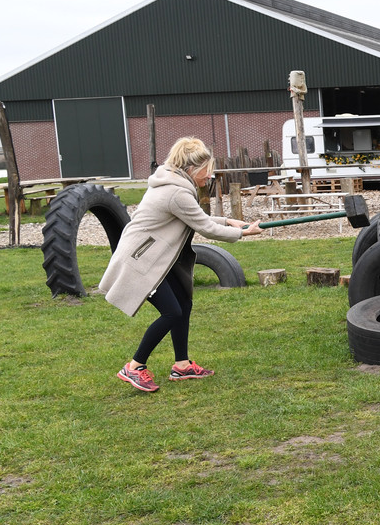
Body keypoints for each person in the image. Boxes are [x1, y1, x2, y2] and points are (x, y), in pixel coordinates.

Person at [100, 137, 262, 392]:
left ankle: (182, 365)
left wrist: (229, 221)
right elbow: (205, 227)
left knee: (183, 303)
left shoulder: (173, 182)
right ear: (191, 169)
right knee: (172, 312)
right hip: (142, 261)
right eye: (205, 172)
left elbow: (195, 217)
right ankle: (134, 367)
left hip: (154, 258)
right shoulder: (176, 191)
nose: (208, 177)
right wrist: (243, 233)